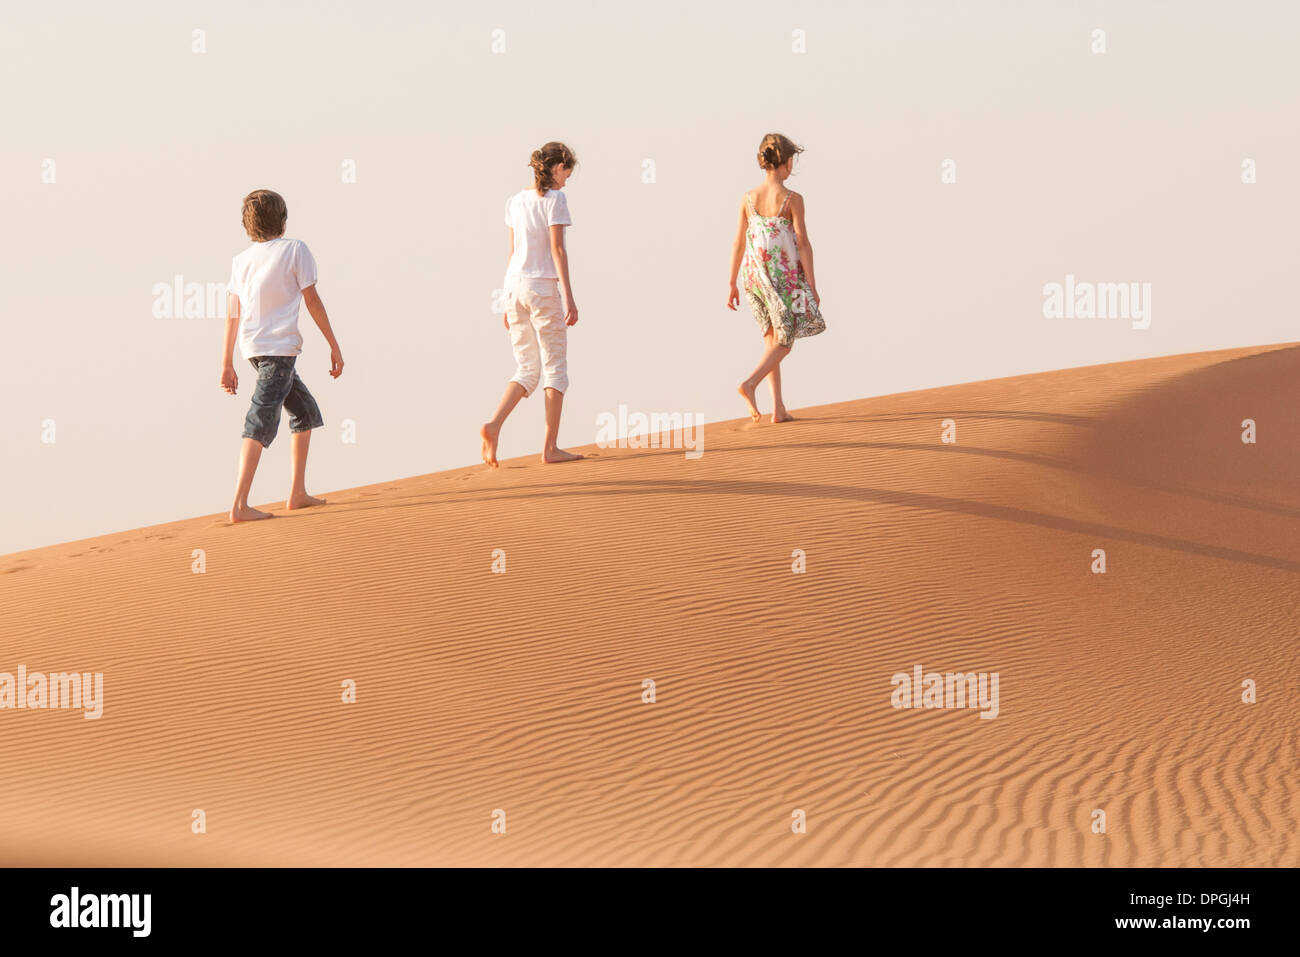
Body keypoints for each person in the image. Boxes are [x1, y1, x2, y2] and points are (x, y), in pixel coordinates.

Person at [220, 189, 344, 521]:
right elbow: (312, 300)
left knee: (304, 412)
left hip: (255, 351)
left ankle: (297, 493)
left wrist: (227, 362)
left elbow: (233, 313)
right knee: (260, 419)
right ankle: (239, 505)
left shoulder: (241, 260)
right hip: (278, 351)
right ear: (283, 221)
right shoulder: (295, 250)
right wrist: (334, 344)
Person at [481, 142, 582, 467]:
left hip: (514, 288)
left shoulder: (515, 201)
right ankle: (550, 448)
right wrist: (569, 296)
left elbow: (512, 254)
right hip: (541, 287)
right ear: (557, 167)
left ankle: (493, 425)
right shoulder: (555, 199)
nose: (568, 179)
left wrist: (504, 300)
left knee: (526, 369)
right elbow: (558, 251)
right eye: (567, 171)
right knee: (556, 369)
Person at [726, 132, 826, 424]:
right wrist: (812, 284)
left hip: (752, 276)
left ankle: (778, 408)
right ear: (786, 162)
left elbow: (738, 243)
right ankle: (750, 383)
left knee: (772, 340)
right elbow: (803, 243)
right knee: (785, 341)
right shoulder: (792, 199)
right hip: (782, 278)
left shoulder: (748, 199)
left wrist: (731, 283)